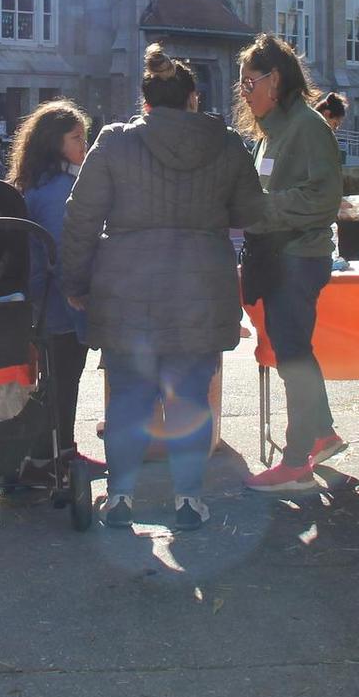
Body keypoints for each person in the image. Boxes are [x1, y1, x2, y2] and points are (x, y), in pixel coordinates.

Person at [62, 46, 264, 530]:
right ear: (194, 98)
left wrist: (75, 280)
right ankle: (189, 499)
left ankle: (120, 497)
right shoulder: (227, 144)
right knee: (190, 396)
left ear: (145, 101)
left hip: (127, 283)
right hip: (201, 284)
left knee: (129, 395)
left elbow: (81, 217)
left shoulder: (113, 142)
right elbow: (251, 214)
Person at [236, 33, 346, 493]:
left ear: (275, 80)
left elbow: (324, 197)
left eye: (250, 83)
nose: (245, 93)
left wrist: (261, 209)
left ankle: (298, 455)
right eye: (241, 85)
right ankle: (322, 433)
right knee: (292, 350)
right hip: (280, 255)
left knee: (293, 354)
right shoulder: (277, 130)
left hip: (298, 256)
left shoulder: (307, 126)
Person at [6, 99, 98, 483]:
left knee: (53, 381)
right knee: (64, 380)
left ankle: (51, 452)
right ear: (54, 142)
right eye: (76, 137)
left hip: (37, 299)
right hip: (58, 303)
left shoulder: (34, 182)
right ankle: (59, 455)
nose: (84, 145)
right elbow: (66, 249)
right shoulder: (60, 189)